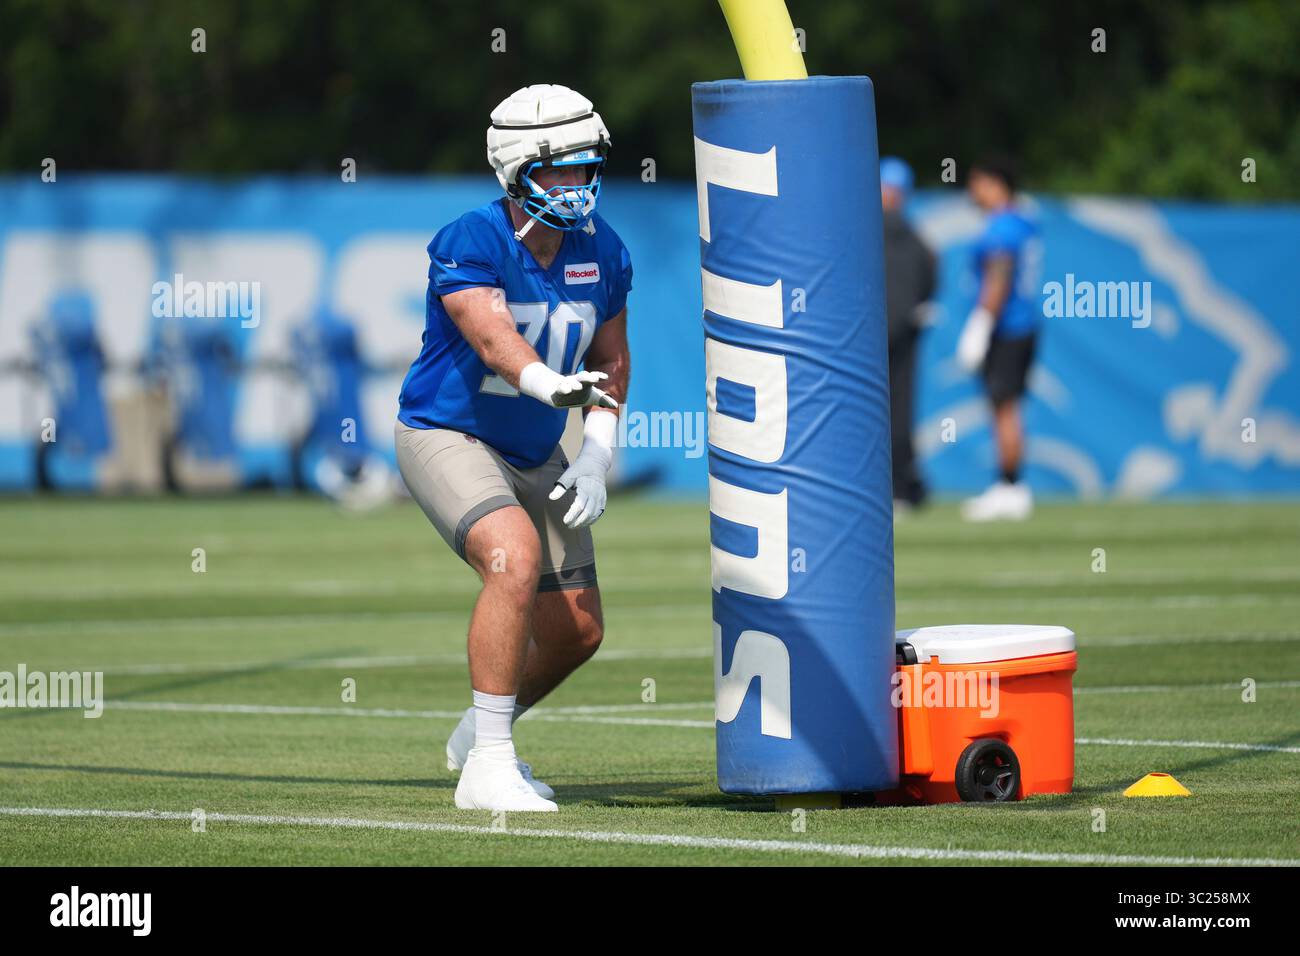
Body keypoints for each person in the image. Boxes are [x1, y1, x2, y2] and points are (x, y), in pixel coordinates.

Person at [394, 85, 632, 811]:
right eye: (558, 170)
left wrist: (596, 450)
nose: (576, 184)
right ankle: (491, 767)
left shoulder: (605, 249)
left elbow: (613, 362)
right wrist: (545, 383)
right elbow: (493, 337)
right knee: (513, 556)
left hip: (536, 447)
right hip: (449, 432)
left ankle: (479, 728)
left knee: (579, 631)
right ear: (515, 170)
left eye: (584, 168)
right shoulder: (473, 237)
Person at [956, 155, 1041, 521]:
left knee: (1003, 406)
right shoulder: (1022, 222)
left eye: (977, 183)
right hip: (1020, 326)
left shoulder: (1003, 228)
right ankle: (1010, 484)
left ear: (996, 183)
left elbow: (1000, 276)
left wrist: (981, 322)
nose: (972, 192)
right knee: (1005, 406)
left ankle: (1010, 486)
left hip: (1008, 327)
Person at [879, 157, 936, 511]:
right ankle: (903, 485)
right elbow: (931, 277)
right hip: (904, 333)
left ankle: (898, 485)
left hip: (868, 336)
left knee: (881, 411)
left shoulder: (863, 230)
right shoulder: (917, 238)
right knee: (898, 409)